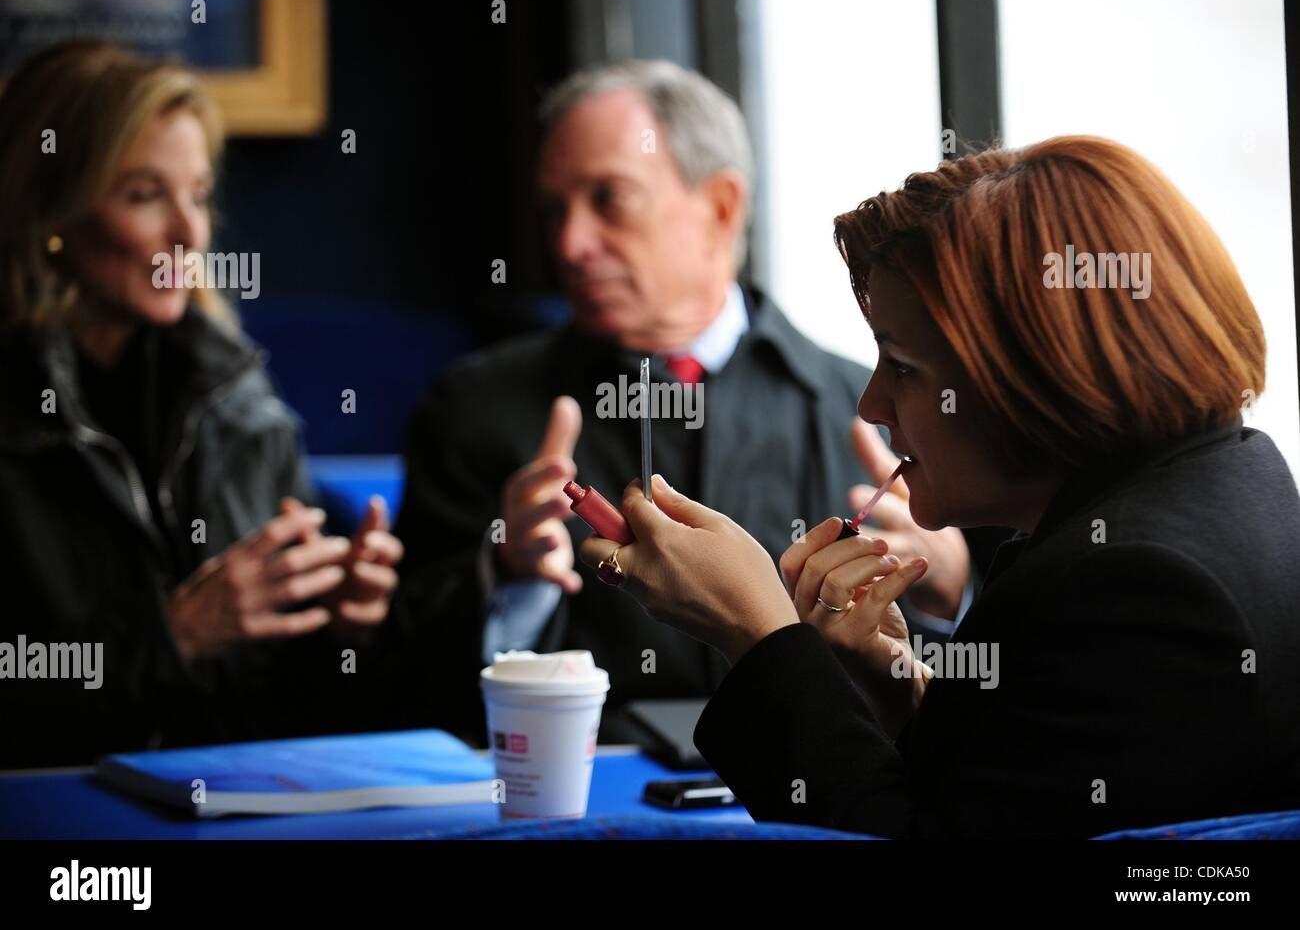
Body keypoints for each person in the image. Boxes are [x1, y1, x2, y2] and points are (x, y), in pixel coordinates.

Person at [576, 136, 1300, 837]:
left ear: (1030, 369)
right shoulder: (1227, 488)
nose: (870, 404)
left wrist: (759, 631)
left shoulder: (1139, 588)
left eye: (902, 366)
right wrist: (907, 702)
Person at [395, 60, 995, 745]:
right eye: (555, 210)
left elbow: (960, 733)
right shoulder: (471, 407)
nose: (569, 244)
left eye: (609, 199)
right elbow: (397, 683)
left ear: (720, 206)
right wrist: (506, 578)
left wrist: (948, 595)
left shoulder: (870, 406)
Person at [0, 41, 404, 769]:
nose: (191, 234)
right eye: (144, 195)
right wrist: (176, 634)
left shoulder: (239, 399)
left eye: (199, 194)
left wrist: (339, 625)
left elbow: (290, 702)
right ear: (50, 208)